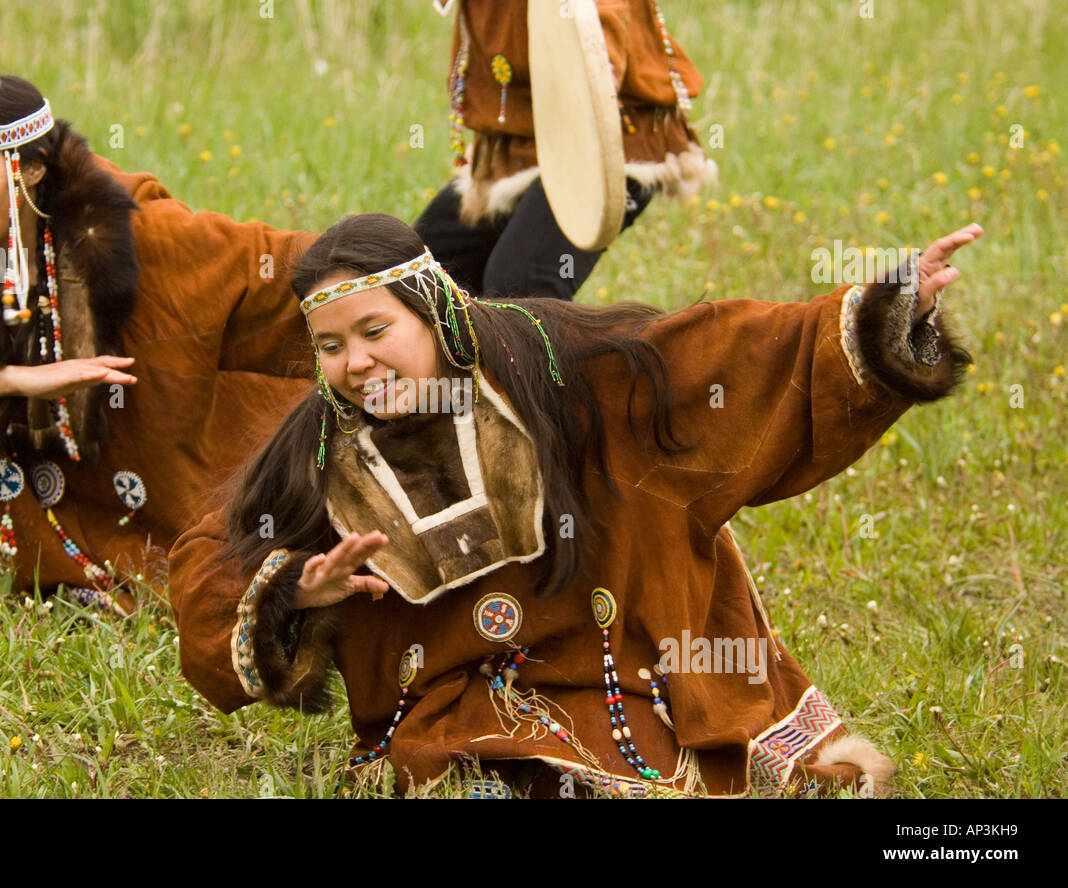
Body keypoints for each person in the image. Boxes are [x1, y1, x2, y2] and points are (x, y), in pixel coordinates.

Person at [170, 211, 980, 798]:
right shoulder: (318, 449)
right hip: (450, 698)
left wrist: (882, 315)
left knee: (645, 769)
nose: (357, 363)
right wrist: (291, 592)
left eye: (376, 330)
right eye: (331, 345)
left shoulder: (546, 364)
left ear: (434, 311)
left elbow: (710, 355)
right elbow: (209, 558)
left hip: (609, 659)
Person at [0, 73, 314, 616]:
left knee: (224, 558)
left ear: (31, 168)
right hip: (61, 524)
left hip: (173, 454)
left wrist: (391, 280)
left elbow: (258, 266)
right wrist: (11, 378)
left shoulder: (127, 227)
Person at [415, 0, 716, 301]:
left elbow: (600, 15)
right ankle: (475, 346)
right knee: (423, 269)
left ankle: (549, 345)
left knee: (522, 284)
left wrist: (594, 65)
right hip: (518, 146)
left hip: (609, 137)